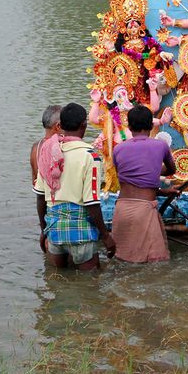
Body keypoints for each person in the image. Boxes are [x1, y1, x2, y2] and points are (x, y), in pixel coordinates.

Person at [34, 103, 116, 270]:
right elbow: (91, 203)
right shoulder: (89, 155)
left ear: (60, 126)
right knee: (90, 286)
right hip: (81, 231)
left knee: (58, 283)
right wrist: (106, 236)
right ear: (83, 125)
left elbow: (40, 197)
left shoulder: (47, 152)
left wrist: (44, 231)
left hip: (55, 229)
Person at [110, 104, 177, 263]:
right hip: (143, 210)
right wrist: (154, 170)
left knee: (122, 261)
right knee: (155, 264)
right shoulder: (160, 145)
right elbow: (171, 170)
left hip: (121, 210)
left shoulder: (118, 149)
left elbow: (128, 177)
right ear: (150, 125)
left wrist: (160, 190)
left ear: (130, 127)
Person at [30, 104, 62, 188]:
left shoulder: (36, 147)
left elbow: (34, 180)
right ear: (58, 126)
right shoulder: (60, 146)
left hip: (41, 196)